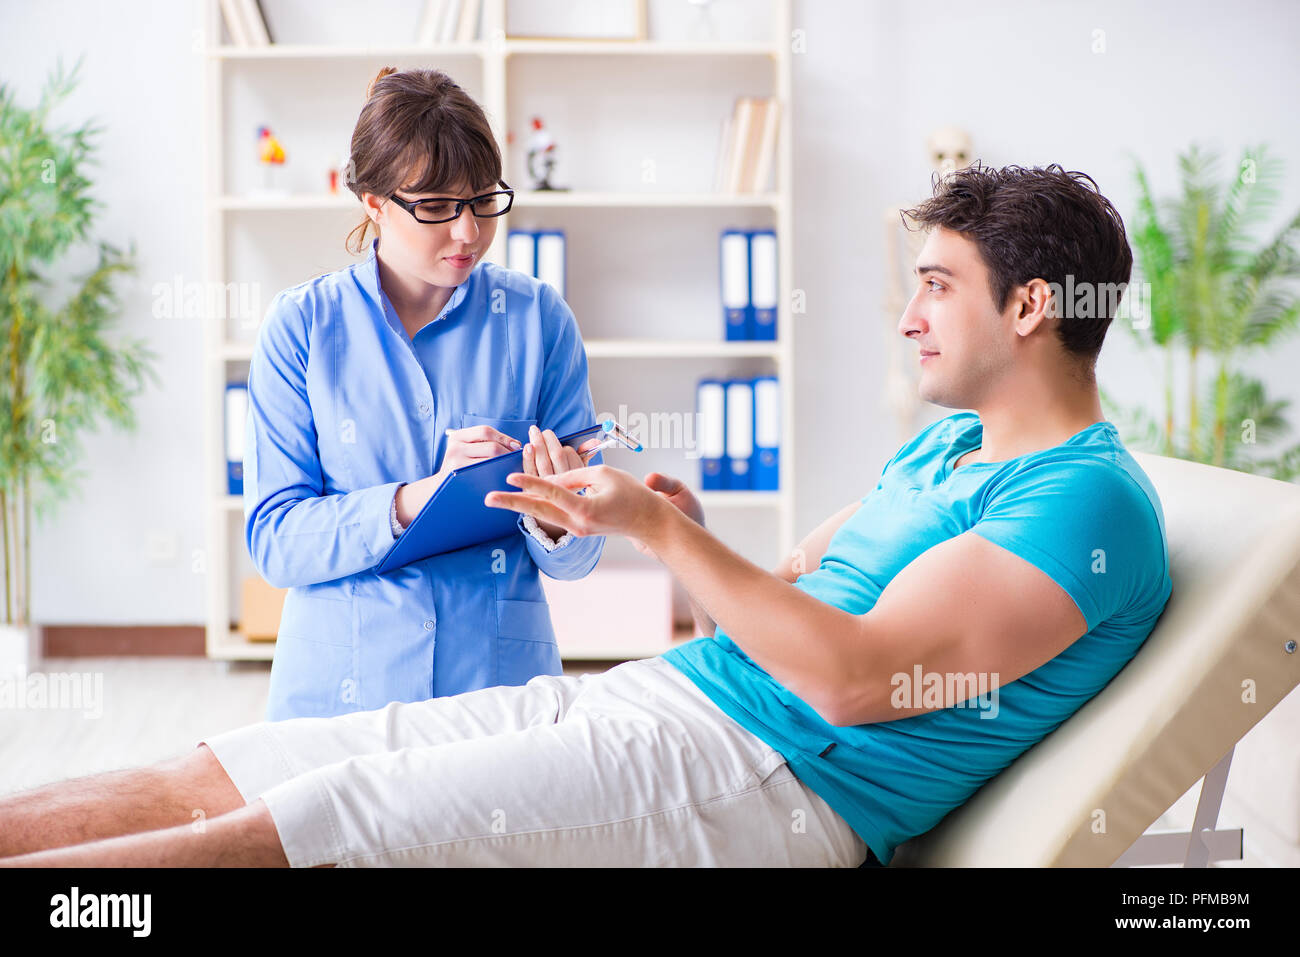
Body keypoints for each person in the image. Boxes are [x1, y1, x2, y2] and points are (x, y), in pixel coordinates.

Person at [0, 163, 1172, 868]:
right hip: (688, 700)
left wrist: (664, 539)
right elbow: (803, 583)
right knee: (269, 755)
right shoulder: (948, 444)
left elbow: (856, 682)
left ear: (1030, 306)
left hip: (770, 777)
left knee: (331, 816)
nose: (907, 314)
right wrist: (674, 516)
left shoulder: (1082, 502)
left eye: (936, 284)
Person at [245, 67, 605, 721]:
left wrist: (560, 513)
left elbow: (580, 557)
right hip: (340, 698)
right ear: (373, 202)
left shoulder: (538, 320)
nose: (467, 231)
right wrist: (417, 499)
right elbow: (276, 541)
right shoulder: (300, 327)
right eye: (436, 207)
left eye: (483, 201)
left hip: (497, 696)